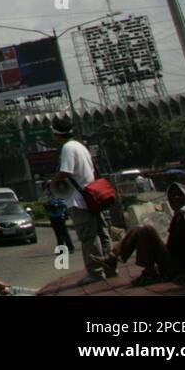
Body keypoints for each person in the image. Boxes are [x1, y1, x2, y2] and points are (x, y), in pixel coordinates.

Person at [48, 116, 115, 282]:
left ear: (56, 133)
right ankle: (110, 267)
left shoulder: (68, 148)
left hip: (80, 200)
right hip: (92, 196)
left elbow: (66, 171)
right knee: (102, 233)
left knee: (88, 237)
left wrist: (52, 182)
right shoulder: (80, 146)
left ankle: (96, 272)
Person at [105, 182, 185, 286]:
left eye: (178, 194)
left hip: (176, 265)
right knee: (140, 229)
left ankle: (145, 270)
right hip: (170, 258)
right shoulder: (179, 215)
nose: (175, 198)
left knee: (147, 229)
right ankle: (114, 256)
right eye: (172, 195)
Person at [45, 188, 74, 252]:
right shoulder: (49, 197)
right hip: (53, 217)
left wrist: (56, 206)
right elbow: (46, 205)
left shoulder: (59, 195)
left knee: (64, 233)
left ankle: (70, 247)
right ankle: (61, 249)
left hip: (60, 216)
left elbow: (64, 204)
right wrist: (49, 206)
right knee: (58, 234)